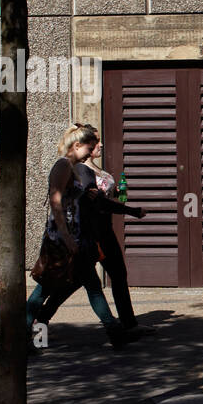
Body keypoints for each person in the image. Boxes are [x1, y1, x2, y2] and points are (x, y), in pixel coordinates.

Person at [26, 124, 129, 350]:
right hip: (61, 240)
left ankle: (114, 331)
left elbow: (72, 201)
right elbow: (56, 202)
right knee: (44, 289)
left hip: (76, 238)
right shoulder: (63, 165)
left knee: (90, 286)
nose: (91, 152)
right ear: (77, 145)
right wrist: (67, 238)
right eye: (89, 147)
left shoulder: (73, 167)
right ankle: (24, 335)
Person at [77, 125, 151, 334]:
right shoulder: (83, 171)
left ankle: (128, 324)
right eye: (96, 141)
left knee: (118, 275)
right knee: (66, 286)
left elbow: (105, 199)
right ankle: (32, 323)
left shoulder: (96, 169)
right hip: (93, 234)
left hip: (105, 231)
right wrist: (132, 210)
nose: (100, 144)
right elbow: (98, 204)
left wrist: (117, 192)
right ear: (85, 145)